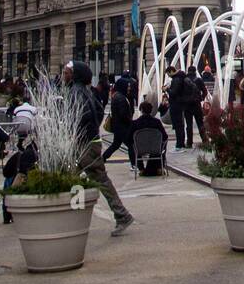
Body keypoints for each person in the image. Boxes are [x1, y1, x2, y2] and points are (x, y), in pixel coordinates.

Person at [62, 60, 134, 236]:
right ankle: (120, 214)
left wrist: (76, 130)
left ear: (75, 74)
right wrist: (93, 127)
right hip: (91, 142)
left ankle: (76, 215)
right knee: (96, 179)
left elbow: (83, 114)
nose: (64, 75)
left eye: (67, 72)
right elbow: (99, 110)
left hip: (84, 144)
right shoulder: (86, 91)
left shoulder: (75, 92)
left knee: (70, 177)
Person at [1, 133, 37, 225]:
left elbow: (5, 172)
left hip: (17, 180)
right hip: (31, 181)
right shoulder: (39, 155)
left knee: (8, 181)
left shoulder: (19, 155)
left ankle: (7, 216)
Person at [103, 78, 136, 166]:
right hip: (122, 127)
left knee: (116, 144)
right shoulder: (121, 98)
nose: (129, 88)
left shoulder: (117, 96)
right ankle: (134, 164)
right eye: (128, 86)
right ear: (123, 86)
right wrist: (131, 122)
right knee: (131, 144)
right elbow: (123, 115)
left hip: (117, 126)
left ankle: (103, 158)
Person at [131, 100, 170, 176]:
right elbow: (165, 136)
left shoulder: (135, 123)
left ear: (141, 110)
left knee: (133, 145)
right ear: (151, 110)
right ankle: (159, 167)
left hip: (140, 148)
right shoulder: (157, 122)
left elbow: (129, 137)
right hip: (155, 148)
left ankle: (141, 168)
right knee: (163, 143)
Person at [164, 65, 189, 149]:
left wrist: (167, 89)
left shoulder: (176, 79)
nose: (168, 76)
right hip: (179, 104)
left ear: (171, 71)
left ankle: (179, 144)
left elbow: (174, 93)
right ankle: (180, 143)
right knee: (180, 125)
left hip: (176, 104)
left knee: (178, 125)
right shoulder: (180, 77)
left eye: (168, 74)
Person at [183, 65, 207, 148]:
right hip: (196, 104)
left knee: (189, 124)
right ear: (195, 71)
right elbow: (205, 91)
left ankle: (189, 142)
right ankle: (204, 140)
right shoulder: (198, 80)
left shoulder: (184, 80)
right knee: (200, 122)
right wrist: (201, 98)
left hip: (187, 105)